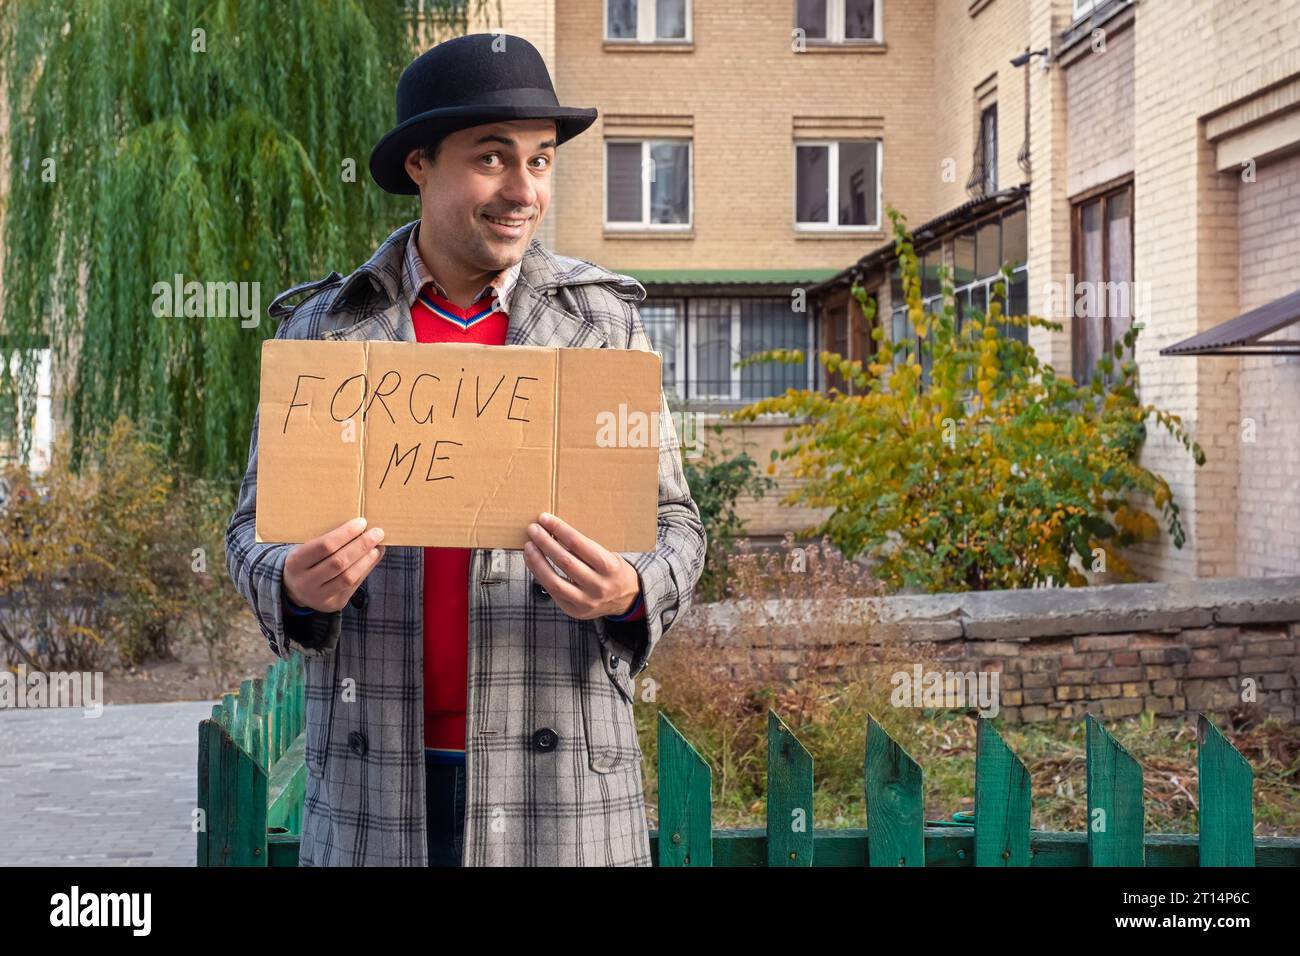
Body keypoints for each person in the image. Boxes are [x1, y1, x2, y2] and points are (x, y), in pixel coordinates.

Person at [225, 32, 706, 866]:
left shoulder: (601, 326)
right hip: (374, 785)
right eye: (492, 158)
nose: (524, 190)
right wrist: (292, 585)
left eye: (541, 160)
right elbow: (249, 531)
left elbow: (678, 528)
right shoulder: (326, 331)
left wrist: (631, 589)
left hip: (560, 789)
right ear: (420, 163)